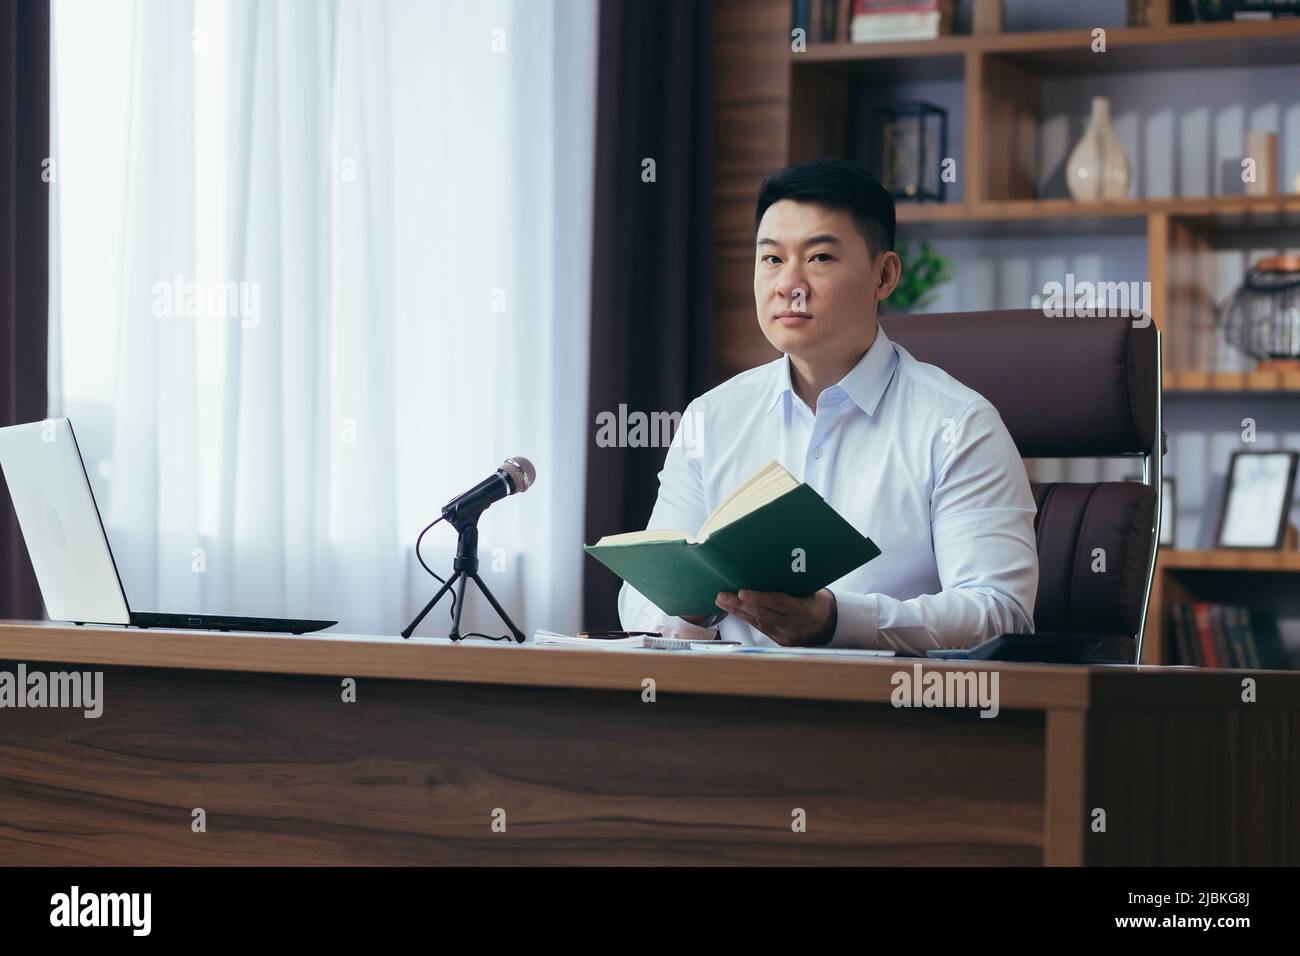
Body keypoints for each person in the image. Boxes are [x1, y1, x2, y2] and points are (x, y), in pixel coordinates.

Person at [618, 158, 1038, 654]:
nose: (788, 285)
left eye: (818, 258)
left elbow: (999, 611)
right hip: (725, 710)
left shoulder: (958, 425)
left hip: (889, 715)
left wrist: (838, 621)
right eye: (772, 259)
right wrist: (690, 603)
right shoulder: (711, 419)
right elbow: (640, 605)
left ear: (884, 276)